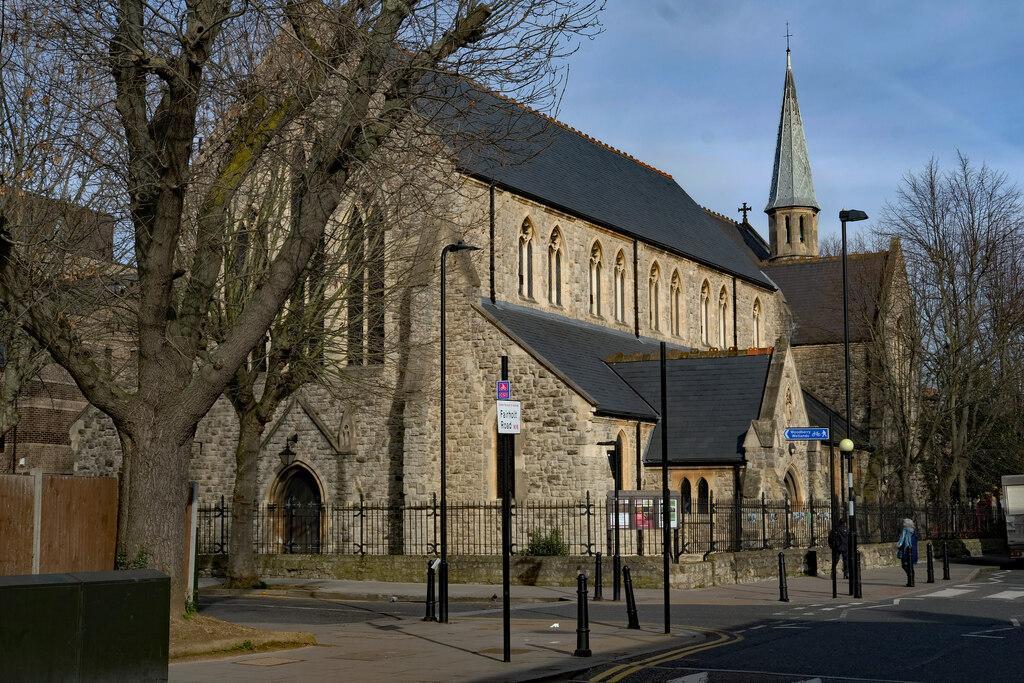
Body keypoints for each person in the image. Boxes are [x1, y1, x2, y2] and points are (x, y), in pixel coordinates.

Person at [897, 518, 919, 587]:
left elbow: (902, 542)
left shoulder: (906, 532)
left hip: (906, 552)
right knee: (910, 566)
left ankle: (911, 580)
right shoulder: (913, 532)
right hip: (912, 552)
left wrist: (899, 546)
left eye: (904, 523)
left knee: (905, 565)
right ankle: (911, 580)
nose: (903, 524)